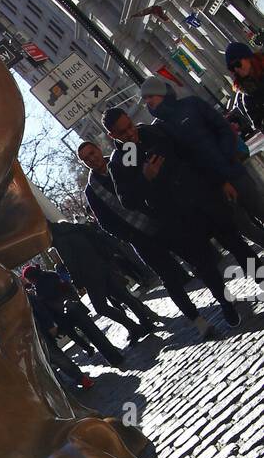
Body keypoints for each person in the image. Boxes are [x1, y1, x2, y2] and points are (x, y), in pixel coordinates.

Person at [102, 107, 249, 330]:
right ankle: (226, 302)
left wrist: (220, 181)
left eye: (130, 126)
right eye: (123, 133)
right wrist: (145, 179)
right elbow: (127, 200)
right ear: (113, 135)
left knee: (238, 245)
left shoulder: (156, 132)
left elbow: (192, 155)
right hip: (178, 220)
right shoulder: (119, 162)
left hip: (203, 200)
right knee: (206, 266)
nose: (131, 134)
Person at [77, 140, 213, 334]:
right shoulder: (92, 191)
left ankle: (223, 296)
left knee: (198, 258)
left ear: (99, 150)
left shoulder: (121, 162)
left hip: (162, 221)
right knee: (169, 279)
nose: (92, 159)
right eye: (86, 159)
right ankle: (197, 319)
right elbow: (106, 223)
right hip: (140, 238)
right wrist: (130, 235)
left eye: (92, 153)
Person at [140, 75, 264, 239]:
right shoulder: (161, 128)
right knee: (244, 226)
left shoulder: (191, 104)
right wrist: (218, 181)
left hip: (232, 170)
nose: (148, 101)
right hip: (214, 187)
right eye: (145, 98)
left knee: (259, 207)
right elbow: (189, 160)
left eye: (151, 95)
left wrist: (227, 156)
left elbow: (222, 128)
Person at [49, 219, 161, 343]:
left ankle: (133, 327)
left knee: (101, 307)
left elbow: (71, 262)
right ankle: (145, 322)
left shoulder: (60, 238)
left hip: (90, 274)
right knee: (124, 297)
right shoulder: (73, 228)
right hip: (102, 265)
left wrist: (78, 282)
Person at [20, 263, 125, 366]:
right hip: (75, 307)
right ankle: (115, 356)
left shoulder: (39, 289)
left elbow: (49, 307)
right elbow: (68, 287)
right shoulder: (51, 274)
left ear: (31, 278)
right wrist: (76, 301)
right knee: (95, 333)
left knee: (89, 335)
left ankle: (112, 358)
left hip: (65, 316)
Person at [23, 277, 94, 390]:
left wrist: (50, 326)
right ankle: (67, 385)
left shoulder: (24, 296)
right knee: (52, 359)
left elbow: (40, 310)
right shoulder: (24, 295)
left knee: (54, 357)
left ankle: (77, 381)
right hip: (32, 334)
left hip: (35, 333)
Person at [225, 41, 264, 135]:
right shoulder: (246, 94)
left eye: (237, 64)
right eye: (232, 67)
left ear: (248, 58)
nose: (236, 69)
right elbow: (257, 122)